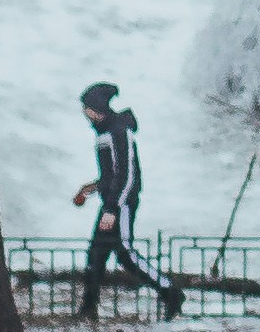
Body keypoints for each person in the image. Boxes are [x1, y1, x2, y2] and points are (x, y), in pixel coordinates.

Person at [75, 80, 181, 319]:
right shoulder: (105, 134)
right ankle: (88, 308)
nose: (84, 113)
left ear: (98, 109)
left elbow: (126, 175)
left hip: (120, 204)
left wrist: (112, 208)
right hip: (113, 203)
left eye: (87, 108)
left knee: (124, 253)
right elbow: (110, 176)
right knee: (96, 254)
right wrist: (90, 188)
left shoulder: (119, 133)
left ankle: (170, 291)